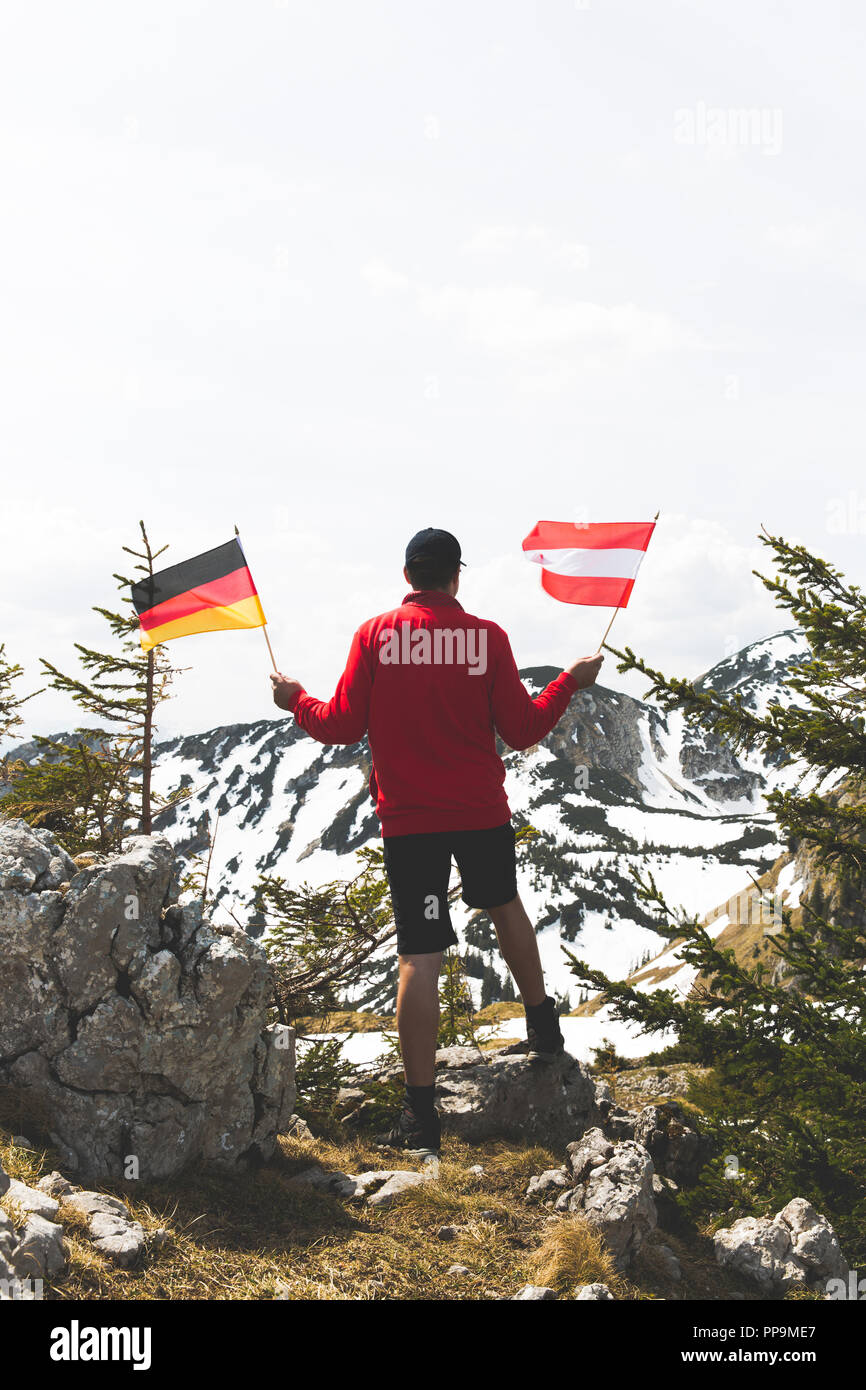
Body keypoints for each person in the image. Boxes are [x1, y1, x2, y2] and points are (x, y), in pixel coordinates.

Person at [270, 527, 603, 1158]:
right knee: (505, 907)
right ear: (456, 577)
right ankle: (542, 1027)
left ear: (407, 577)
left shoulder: (375, 635)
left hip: (412, 825)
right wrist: (570, 681)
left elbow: (340, 725)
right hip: (480, 813)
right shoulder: (486, 638)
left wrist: (295, 700)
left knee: (419, 955)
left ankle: (423, 1121)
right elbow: (525, 728)